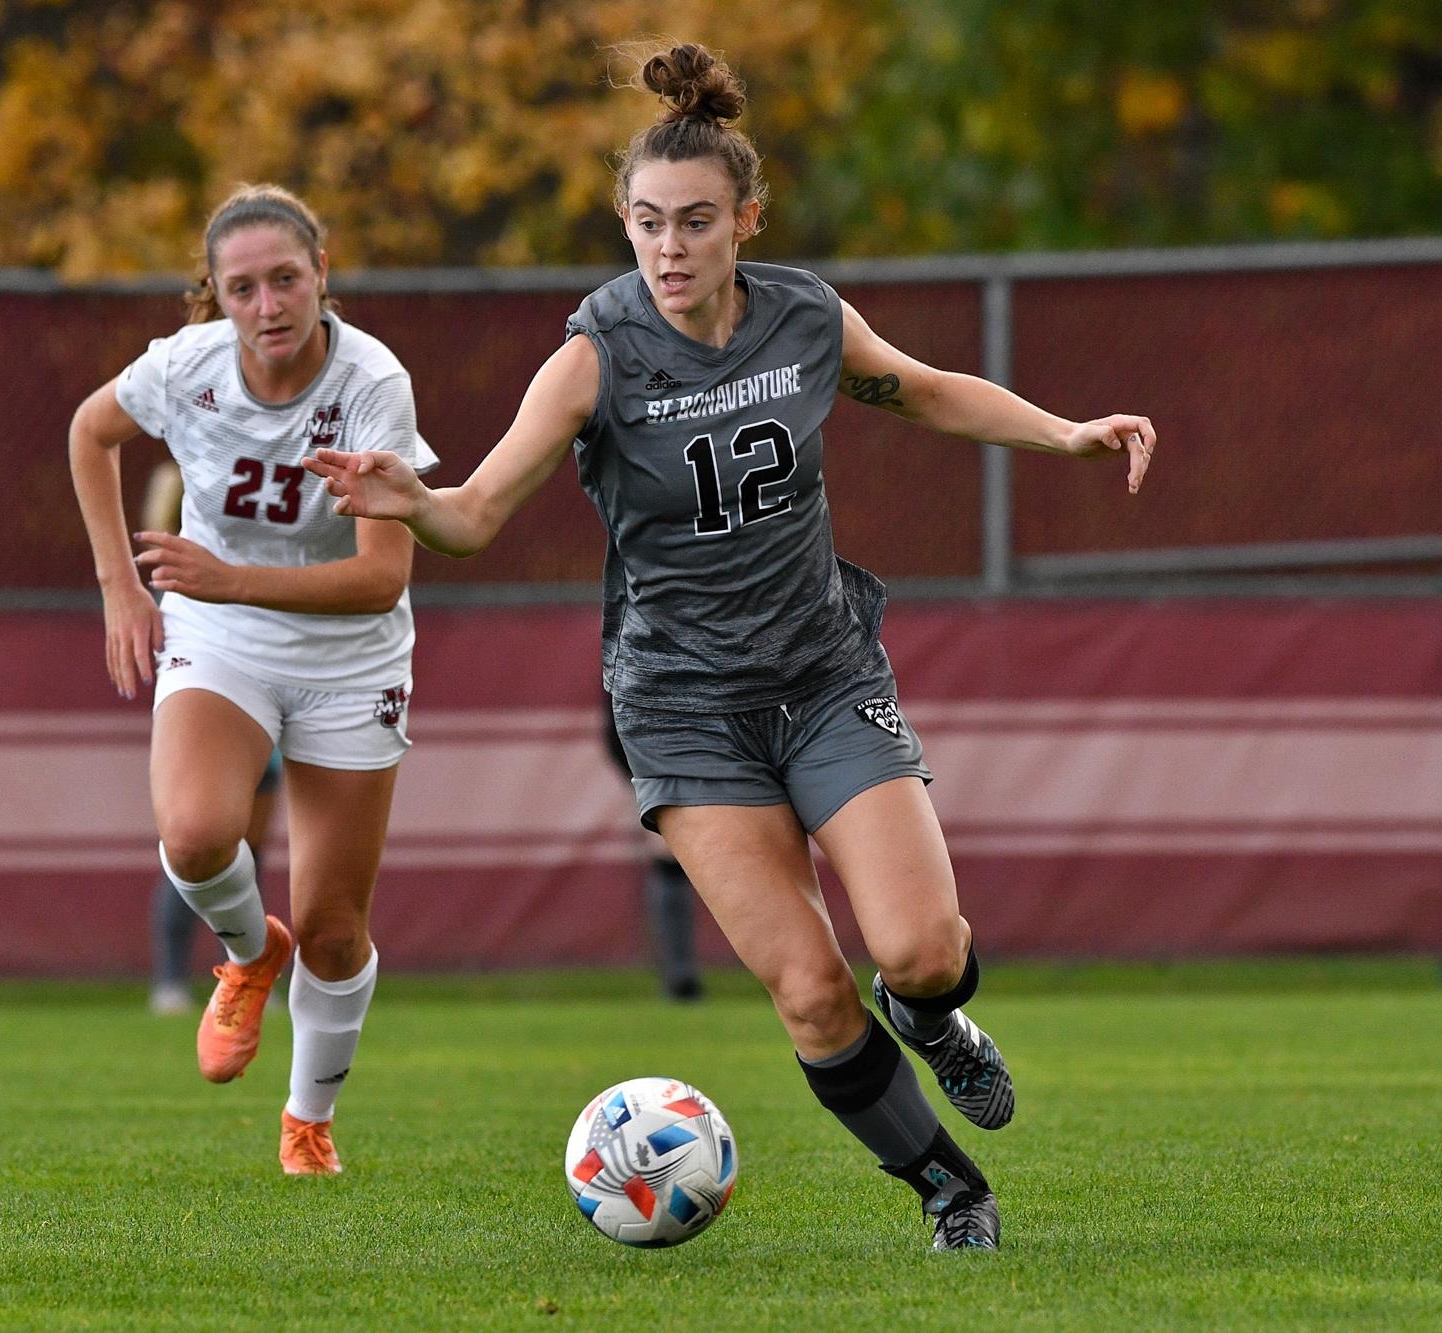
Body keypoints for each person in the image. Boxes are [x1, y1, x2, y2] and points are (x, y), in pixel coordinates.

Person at [307, 43, 1156, 1250]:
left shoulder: (804, 316)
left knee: (920, 949)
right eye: (646, 223)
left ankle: (934, 1020)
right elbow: (477, 511)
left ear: (745, 221)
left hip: (821, 674)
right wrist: (414, 500)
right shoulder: (593, 358)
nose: (668, 248)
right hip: (684, 706)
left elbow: (919, 388)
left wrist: (1065, 434)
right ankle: (949, 1190)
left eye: (696, 222)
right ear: (623, 224)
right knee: (809, 992)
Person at [70, 183, 438, 1175]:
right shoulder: (183, 368)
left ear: (322, 279)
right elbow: (89, 430)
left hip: (349, 653)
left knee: (331, 925)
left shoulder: (371, 383)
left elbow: (380, 577)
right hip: (221, 634)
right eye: (242, 288)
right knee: (193, 835)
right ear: (216, 296)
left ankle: (306, 1121)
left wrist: (226, 574)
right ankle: (244, 952)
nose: (267, 305)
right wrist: (120, 590)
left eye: (285, 280)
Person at [136, 461, 284, 1017]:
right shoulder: (179, 563)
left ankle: (248, 967)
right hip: (205, 713)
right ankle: (173, 980)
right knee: (192, 848)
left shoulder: (256, 542)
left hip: (262, 713)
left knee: (244, 856)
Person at [602, 696, 703, 1001]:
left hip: (723, 743)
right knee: (669, 855)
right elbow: (617, 718)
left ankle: (789, 972)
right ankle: (680, 977)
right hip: (657, 749)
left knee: (757, 854)